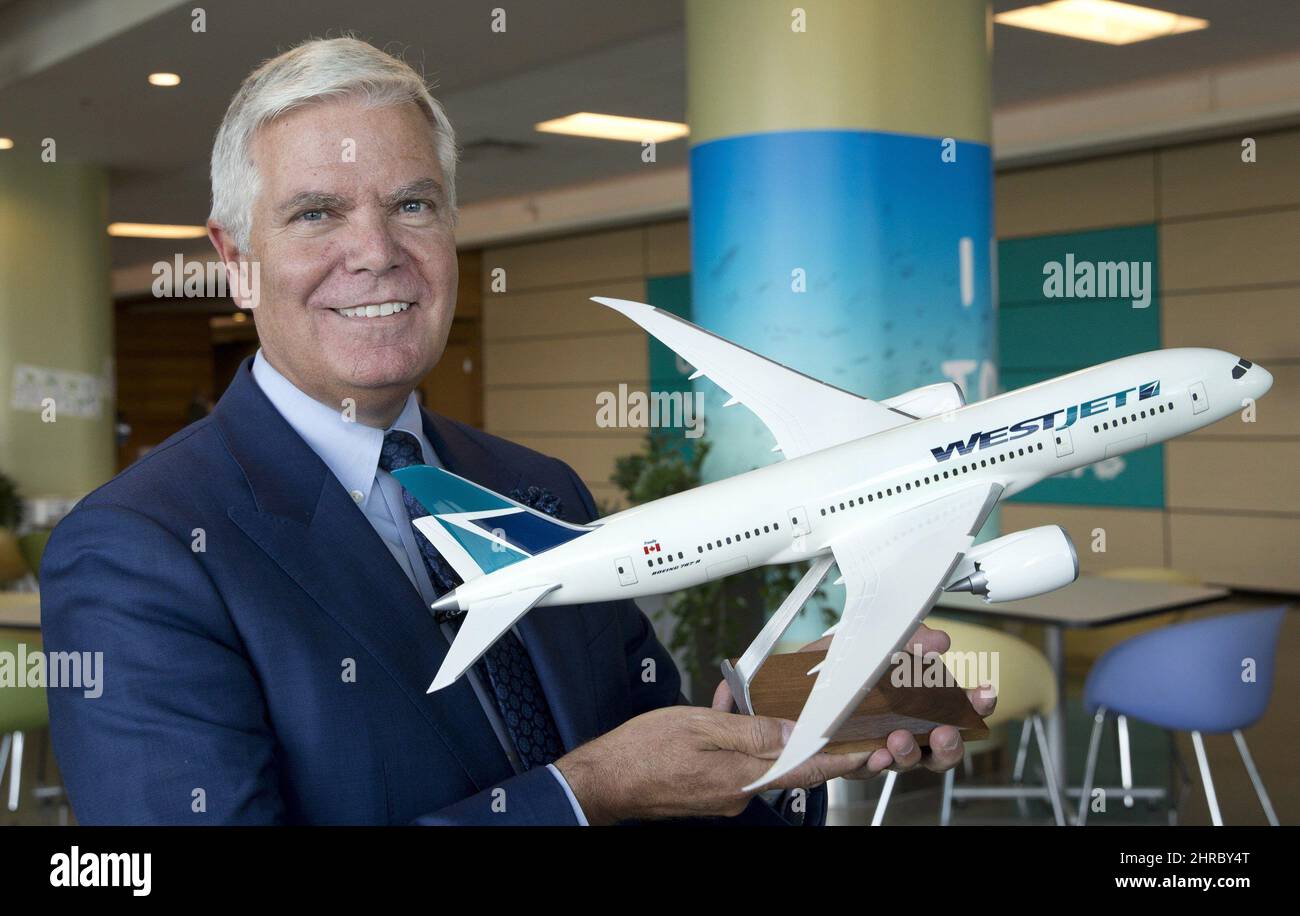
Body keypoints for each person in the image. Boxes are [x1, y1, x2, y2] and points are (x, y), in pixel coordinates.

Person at [40, 37, 993, 825]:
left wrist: (776, 727)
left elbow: (651, 757)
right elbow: (612, 780)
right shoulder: (141, 550)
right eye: (316, 213)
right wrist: (584, 797)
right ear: (236, 261)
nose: (376, 252)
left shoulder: (536, 489)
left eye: (412, 205)